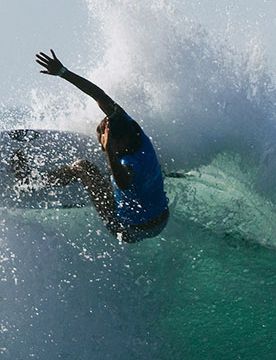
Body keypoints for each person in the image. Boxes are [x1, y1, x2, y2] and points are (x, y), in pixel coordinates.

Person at [23, 50, 169, 243]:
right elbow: (98, 94)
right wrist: (63, 72)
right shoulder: (131, 127)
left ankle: (32, 182)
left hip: (129, 231)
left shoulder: (129, 165)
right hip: (162, 220)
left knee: (84, 167)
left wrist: (108, 150)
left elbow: (123, 183)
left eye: (104, 141)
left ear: (117, 142)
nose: (101, 143)